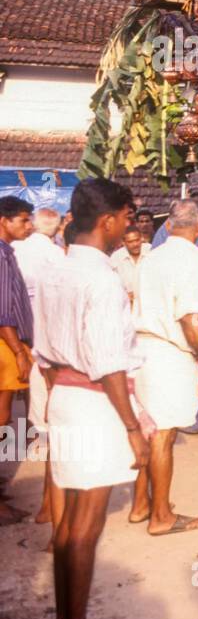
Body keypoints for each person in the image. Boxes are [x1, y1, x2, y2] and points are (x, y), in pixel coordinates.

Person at [33, 179, 146, 619]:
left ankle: (67, 616)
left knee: (70, 521)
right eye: (126, 218)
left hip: (64, 394)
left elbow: (44, 351)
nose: (128, 227)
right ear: (108, 221)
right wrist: (133, 429)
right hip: (96, 401)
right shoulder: (101, 279)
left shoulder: (55, 270)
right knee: (86, 523)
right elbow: (107, 364)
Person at [128, 200, 198, 533]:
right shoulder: (193, 260)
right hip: (167, 357)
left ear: (168, 226)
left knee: (150, 429)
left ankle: (142, 505)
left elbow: (163, 309)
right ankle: (161, 518)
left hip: (142, 350)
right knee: (163, 436)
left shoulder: (150, 258)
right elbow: (186, 318)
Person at [12, 207, 67, 536]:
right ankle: (54, 514)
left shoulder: (15, 250)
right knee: (61, 439)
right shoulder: (55, 258)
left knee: (46, 429)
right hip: (48, 349)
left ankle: (48, 507)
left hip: (27, 339)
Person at [0, 196, 35, 526]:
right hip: (4, 346)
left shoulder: (7, 252)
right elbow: (3, 312)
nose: (30, 226)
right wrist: (20, 351)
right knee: (0, 422)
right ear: (4, 221)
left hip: (7, 344)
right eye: (23, 220)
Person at [111, 225, 150, 309]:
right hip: (128, 306)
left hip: (151, 303)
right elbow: (112, 286)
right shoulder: (116, 258)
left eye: (137, 240)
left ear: (141, 238)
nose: (135, 244)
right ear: (123, 243)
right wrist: (123, 295)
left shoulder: (151, 251)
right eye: (130, 241)